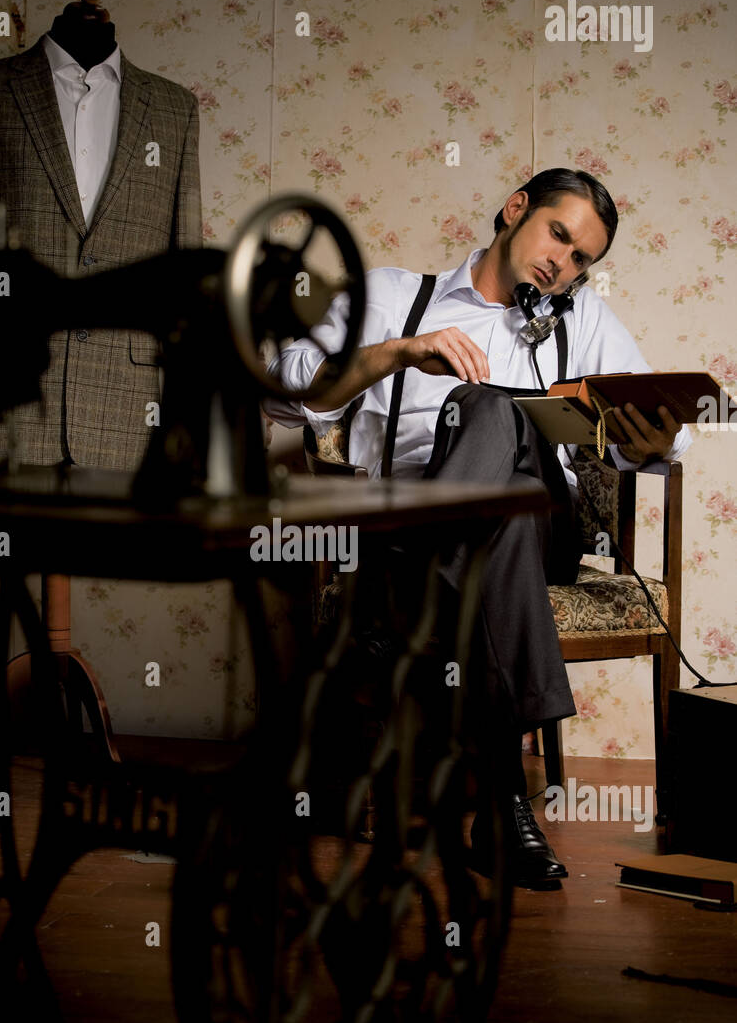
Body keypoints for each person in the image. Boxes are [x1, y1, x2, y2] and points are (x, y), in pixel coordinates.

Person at [263, 168, 691, 890]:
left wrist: (651, 436)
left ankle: (407, 606)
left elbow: (653, 430)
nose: (564, 264)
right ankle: (503, 798)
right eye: (559, 235)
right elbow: (282, 385)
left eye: (582, 257)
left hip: (518, 532)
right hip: (430, 527)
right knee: (503, 519)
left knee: (491, 411)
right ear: (515, 209)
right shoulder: (396, 297)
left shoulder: (579, 320)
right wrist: (398, 353)